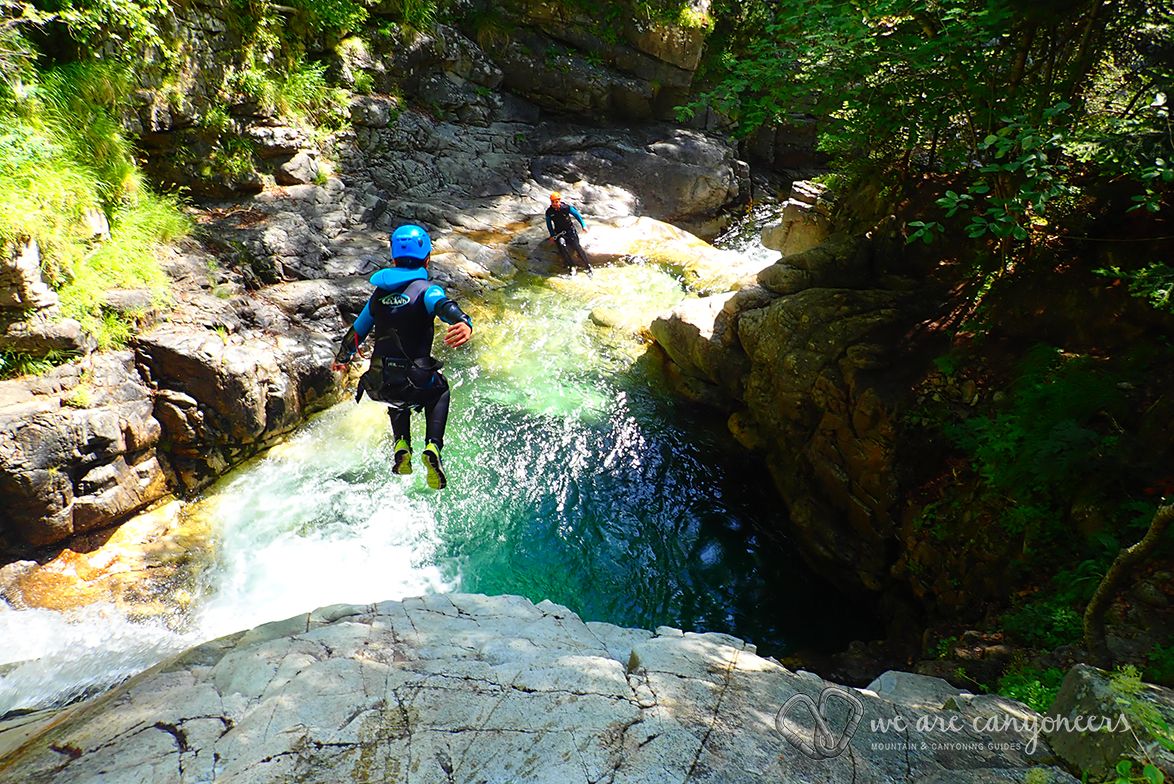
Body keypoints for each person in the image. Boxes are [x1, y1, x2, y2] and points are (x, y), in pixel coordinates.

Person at [332, 224, 473, 490]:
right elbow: (445, 307)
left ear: (394, 259)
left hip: (377, 384)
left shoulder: (377, 296)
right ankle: (433, 447)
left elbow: (356, 334)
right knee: (439, 389)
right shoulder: (426, 290)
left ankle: (401, 445)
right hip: (415, 381)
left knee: (395, 391)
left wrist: (342, 358)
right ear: (427, 259)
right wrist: (464, 322)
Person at [545, 191, 591, 274]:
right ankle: (571, 266)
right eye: (553, 202)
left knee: (576, 246)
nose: (555, 204)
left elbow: (577, 215)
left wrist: (583, 225)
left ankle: (588, 266)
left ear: (559, 201)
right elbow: (549, 224)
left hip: (570, 231)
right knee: (562, 245)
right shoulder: (549, 212)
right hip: (559, 233)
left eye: (556, 202)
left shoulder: (566, 208)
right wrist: (552, 235)